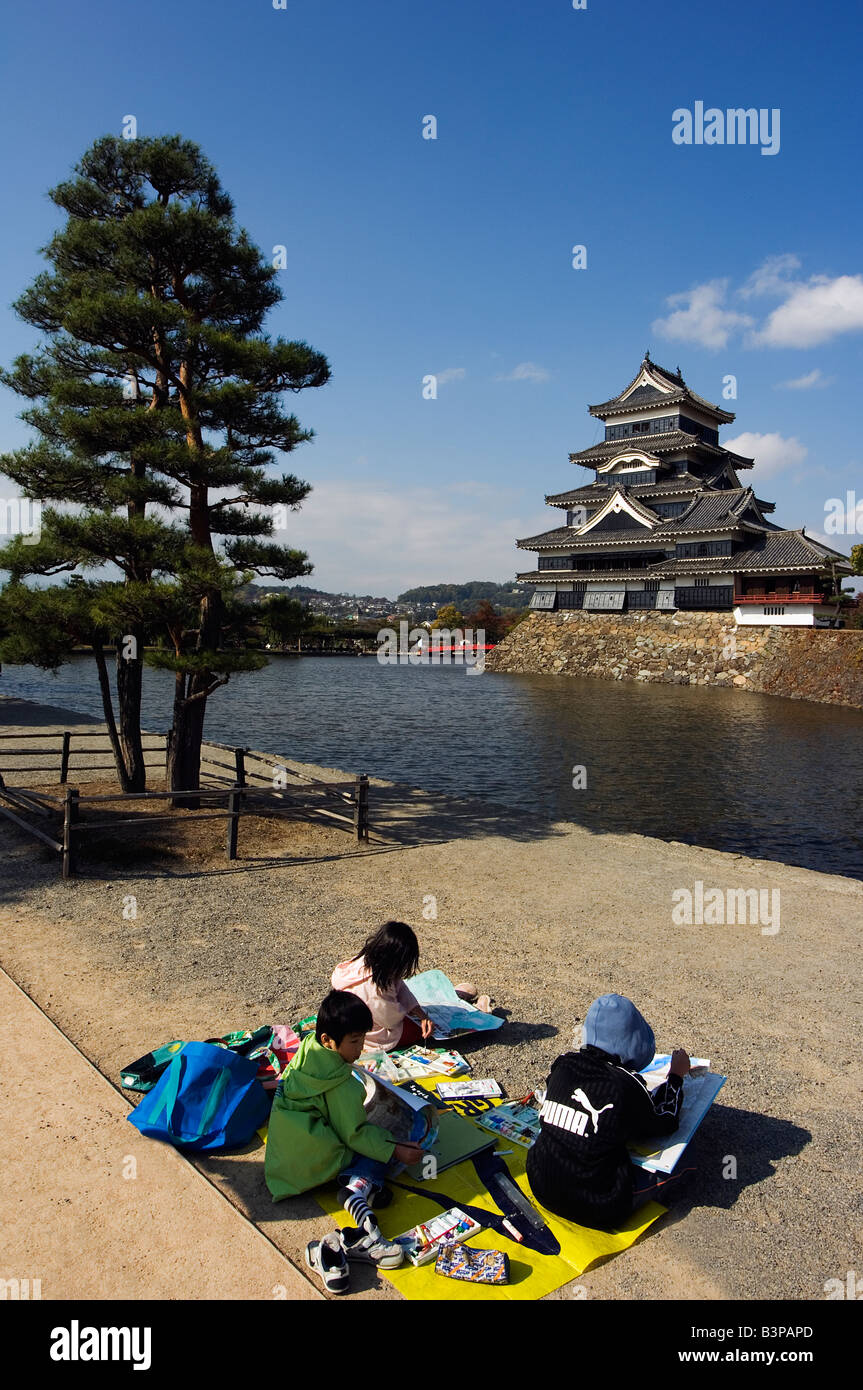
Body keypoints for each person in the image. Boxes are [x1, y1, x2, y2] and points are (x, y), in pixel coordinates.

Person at [265, 989, 425, 1290]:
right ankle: (358, 1190)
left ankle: (364, 1189)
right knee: (381, 1151)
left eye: (362, 1039)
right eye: (355, 1042)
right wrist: (396, 1150)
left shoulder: (309, 1051)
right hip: (311, 1162)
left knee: (379, 1143)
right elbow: (355, 1134)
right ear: (329, 1041)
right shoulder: (339, 1084)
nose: (361, 1048)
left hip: (284, 1160)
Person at [525, 993, 693, 1232]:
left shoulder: (563, 1064)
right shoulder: (625, 1084)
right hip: (599, 1204)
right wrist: (676, 1076)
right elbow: (666, 1121)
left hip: (540, 1182)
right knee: (683, 1157)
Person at [331, 921, 435, 1051]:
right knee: (419, 1030)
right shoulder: (376, 988)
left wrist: (419, 1011)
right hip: (364, 1033)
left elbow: (399, 985)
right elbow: (391, 1021)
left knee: (418, 1020)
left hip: (350, 1017)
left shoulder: (369, 961)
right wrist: (411, 1013)